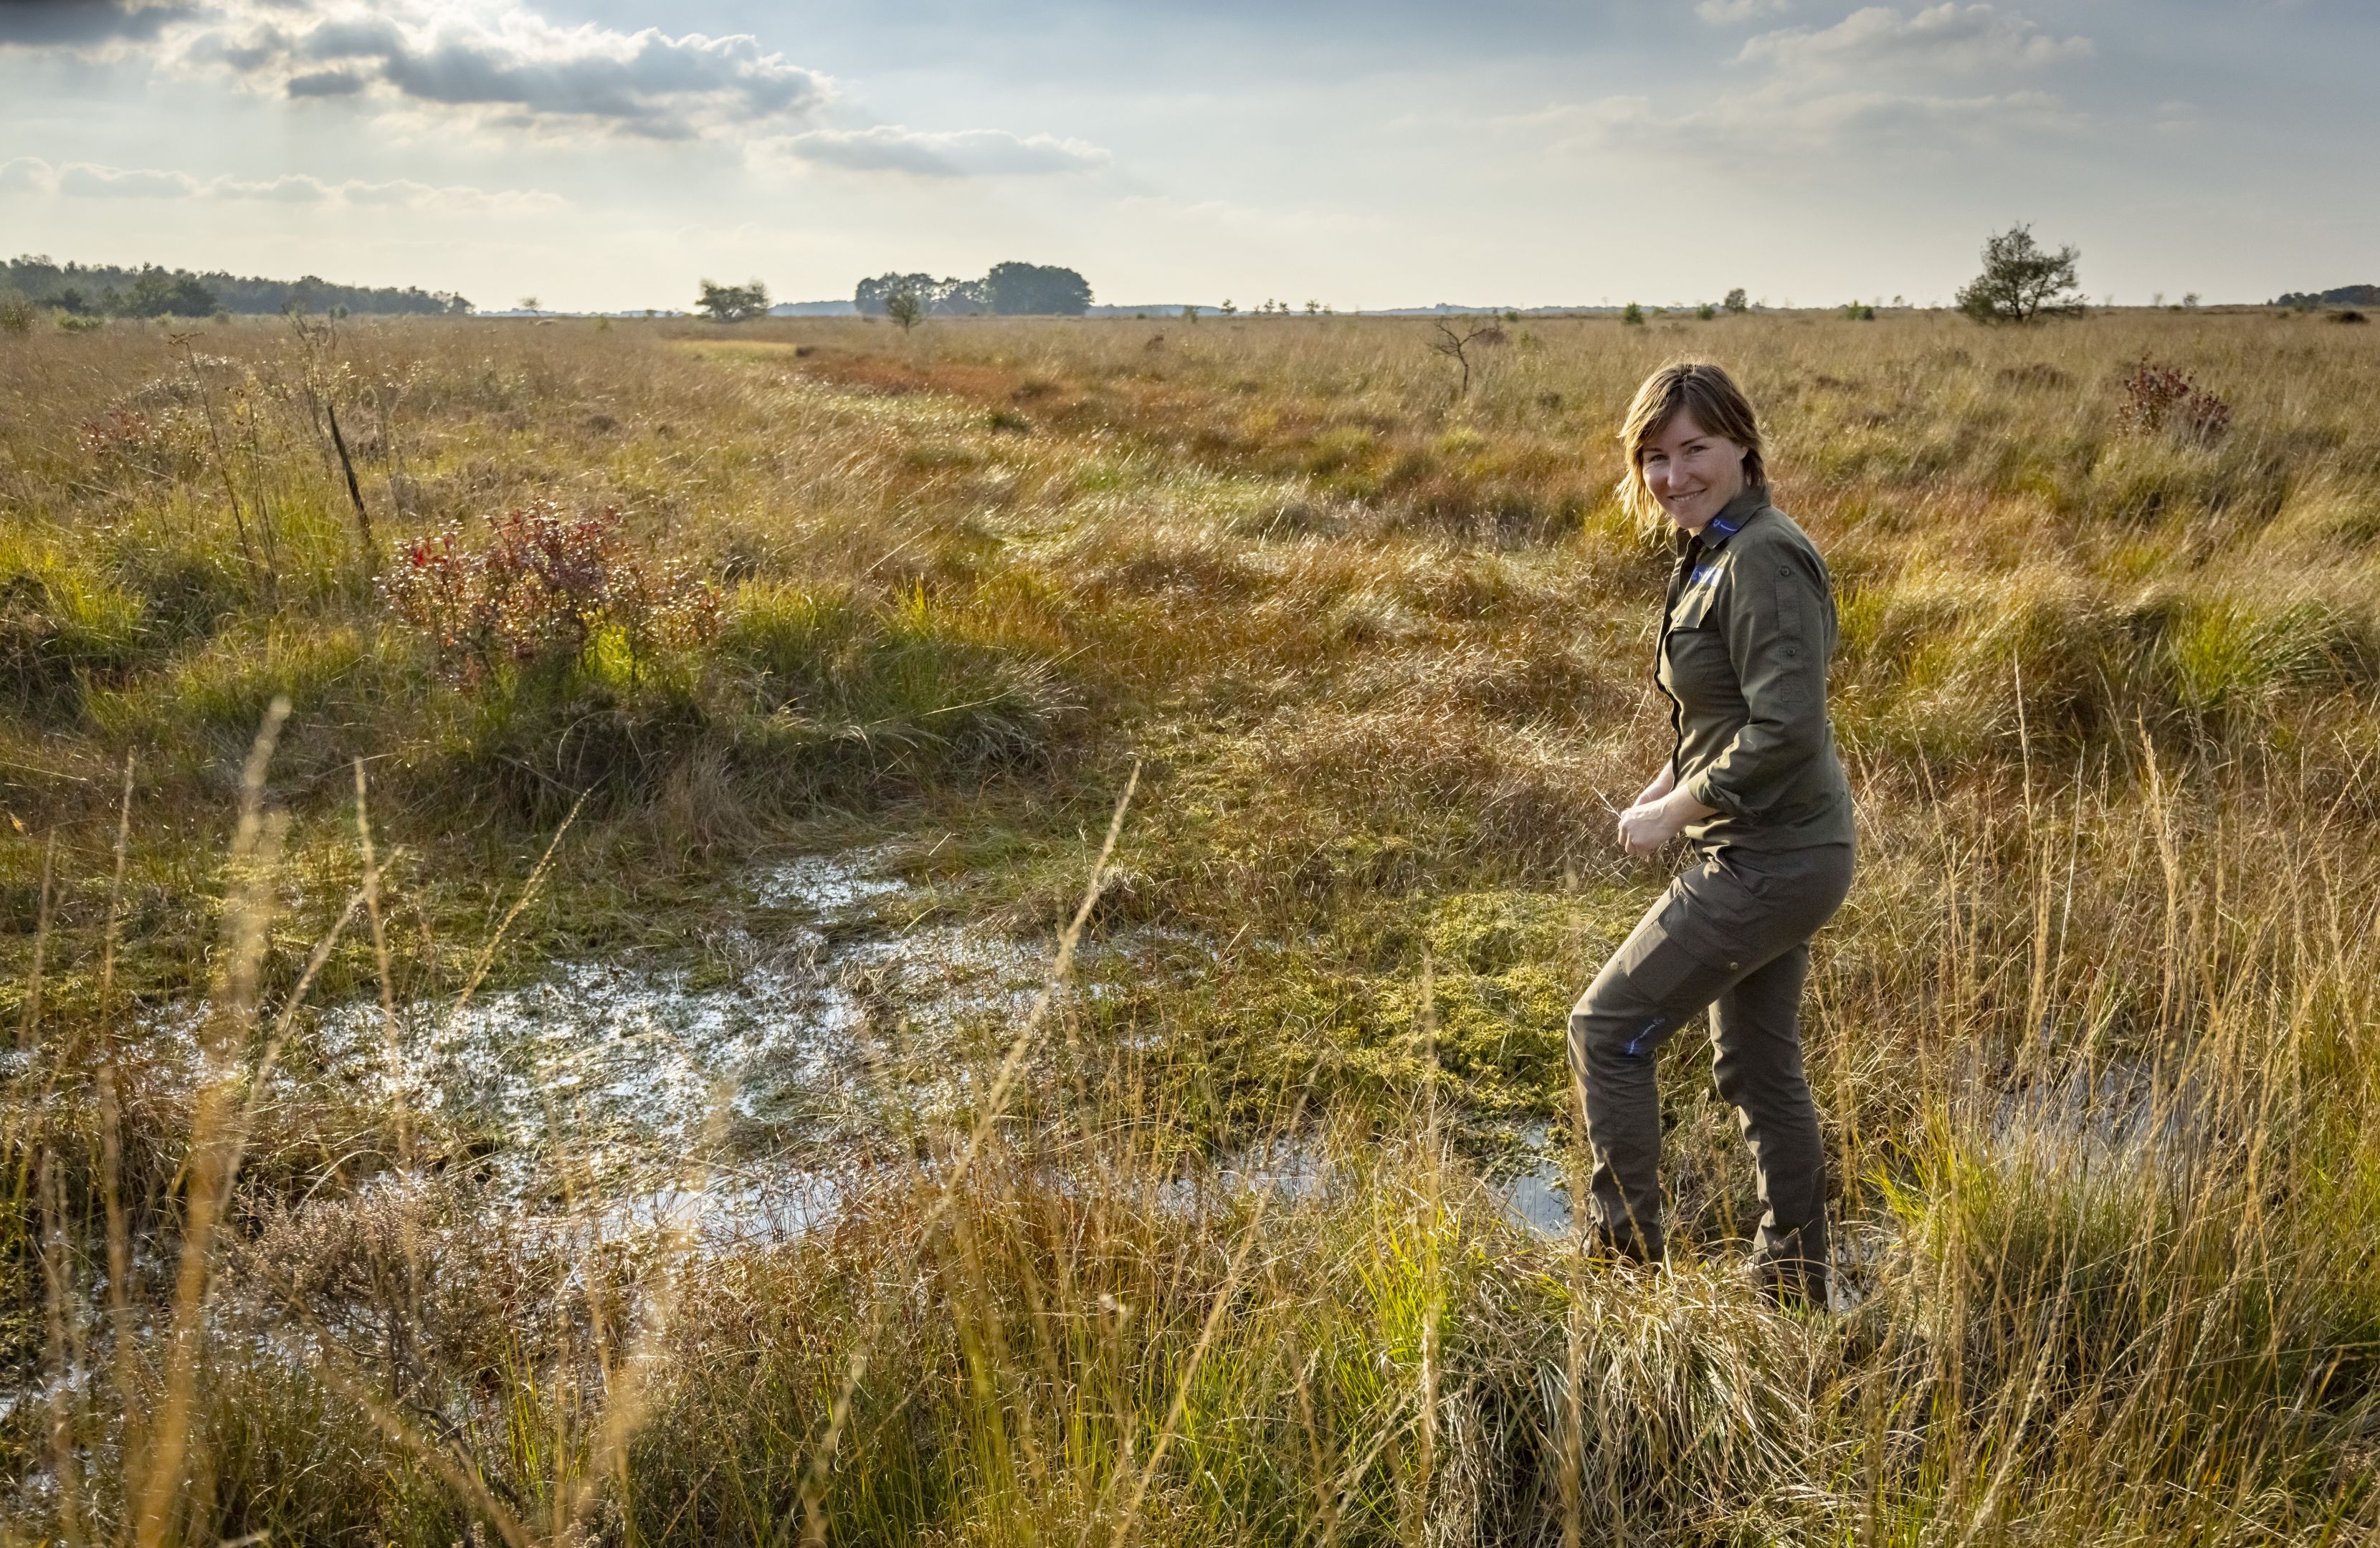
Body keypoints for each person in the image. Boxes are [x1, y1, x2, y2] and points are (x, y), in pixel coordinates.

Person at [1568, 360, 1856, 1307]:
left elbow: (1786, 730)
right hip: (1776, 849)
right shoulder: (1717, 546)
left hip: (1771, 859)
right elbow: (1725, 718)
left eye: (1693, 449)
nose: (1672, 475)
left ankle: (1622, 1275)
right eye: (1653, 457)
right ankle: (1796, 1278)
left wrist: (1674, 812)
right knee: (1758, 1064)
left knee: (1606, 1031)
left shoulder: (1765, 554)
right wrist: (1665, 785)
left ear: (1742, 443)